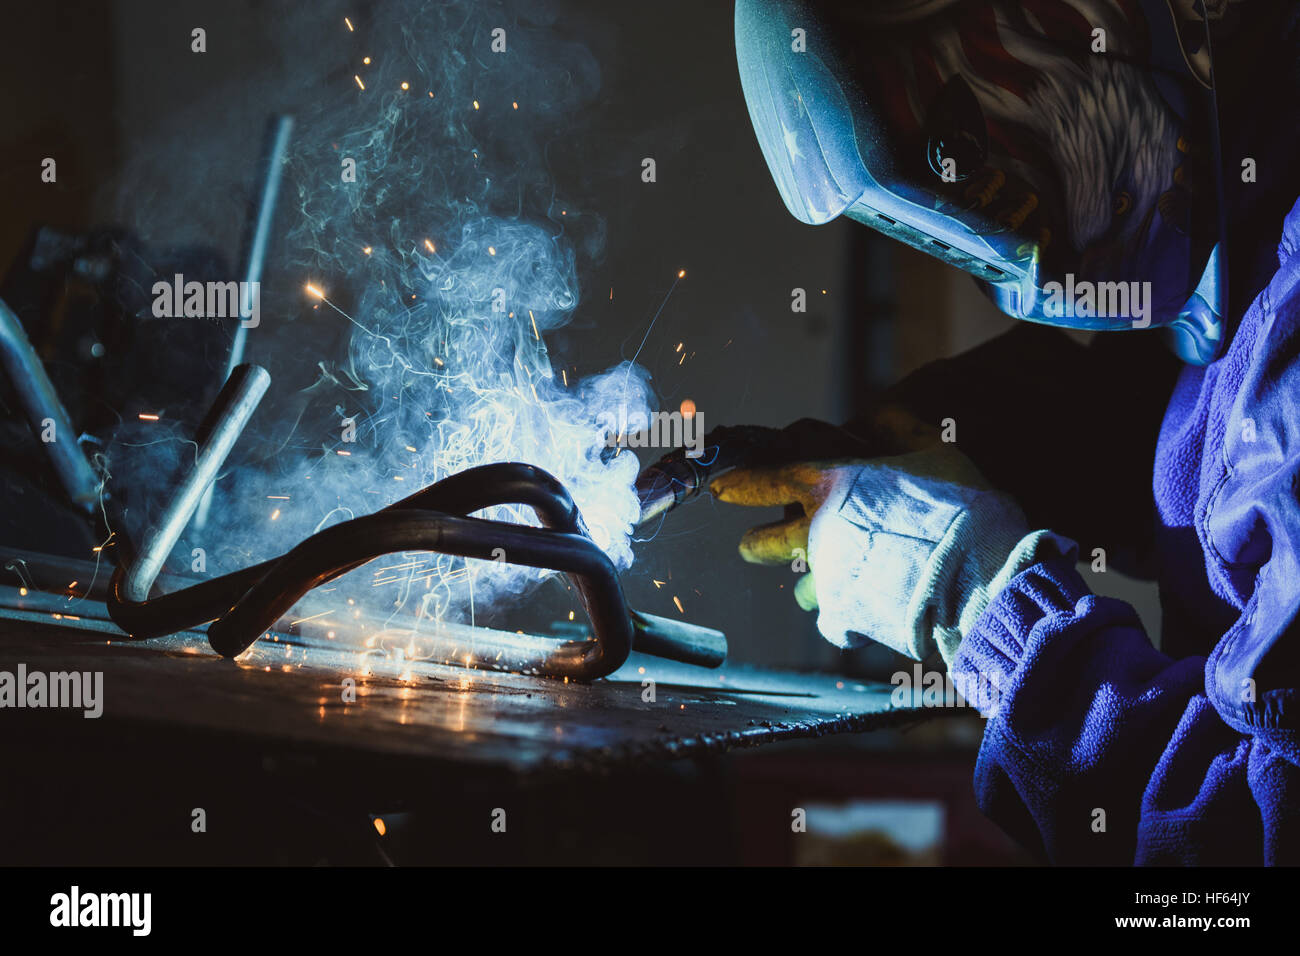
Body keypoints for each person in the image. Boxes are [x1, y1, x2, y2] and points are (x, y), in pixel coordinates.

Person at [720, 0, 1300, 863]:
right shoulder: (1253, 198)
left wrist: (980, 597)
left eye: (973, 176)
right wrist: (968, 438)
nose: (1003, 244)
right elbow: (1197, 427)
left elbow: (1243, 842)